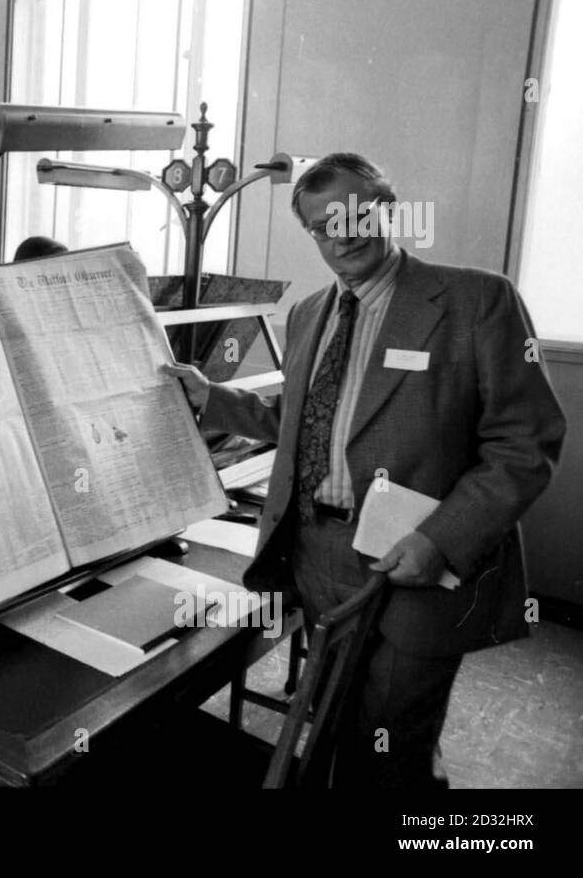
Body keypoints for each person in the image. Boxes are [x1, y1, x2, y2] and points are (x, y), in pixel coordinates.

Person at [164, 152, 566, 788]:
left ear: (389, 209)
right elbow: (299, 422)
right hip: (315, 552)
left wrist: (441, 539)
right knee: (333, 722)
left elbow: (527, 441)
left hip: (414, 564)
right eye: (322, 226)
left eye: (355, 213)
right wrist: (211, 397)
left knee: (392, 745)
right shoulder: (307, 314)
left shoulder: (477, 302)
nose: (340, 234)